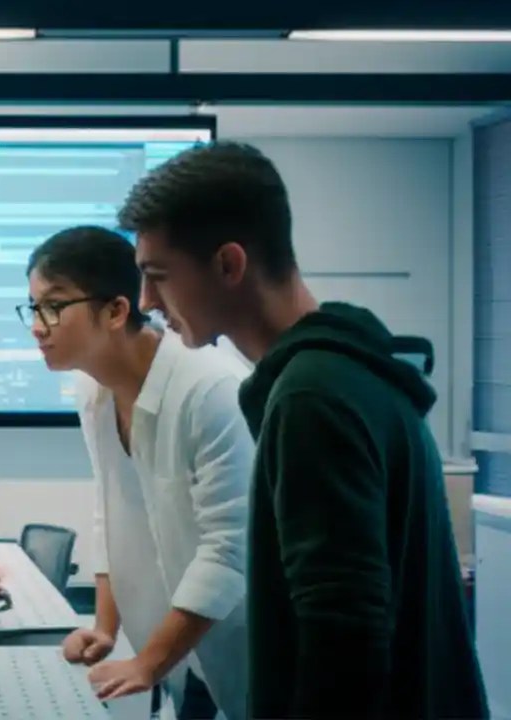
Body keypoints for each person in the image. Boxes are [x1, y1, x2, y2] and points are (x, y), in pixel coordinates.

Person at [118, 140, 489, 719]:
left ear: (229, 265)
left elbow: (343, 645)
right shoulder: (350, 372)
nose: (146, 301)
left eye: (157, 276)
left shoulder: (312, 398)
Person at [22, 227, 252, 720]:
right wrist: (106, 628)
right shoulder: (94, 392)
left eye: (54, 306)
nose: (37, 326)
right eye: (33, 307)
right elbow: (114, 510)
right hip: (179, 651)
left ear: (116, 310)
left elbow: (229, 551)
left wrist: (148, 661)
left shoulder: (211, 389)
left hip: (243, 642)